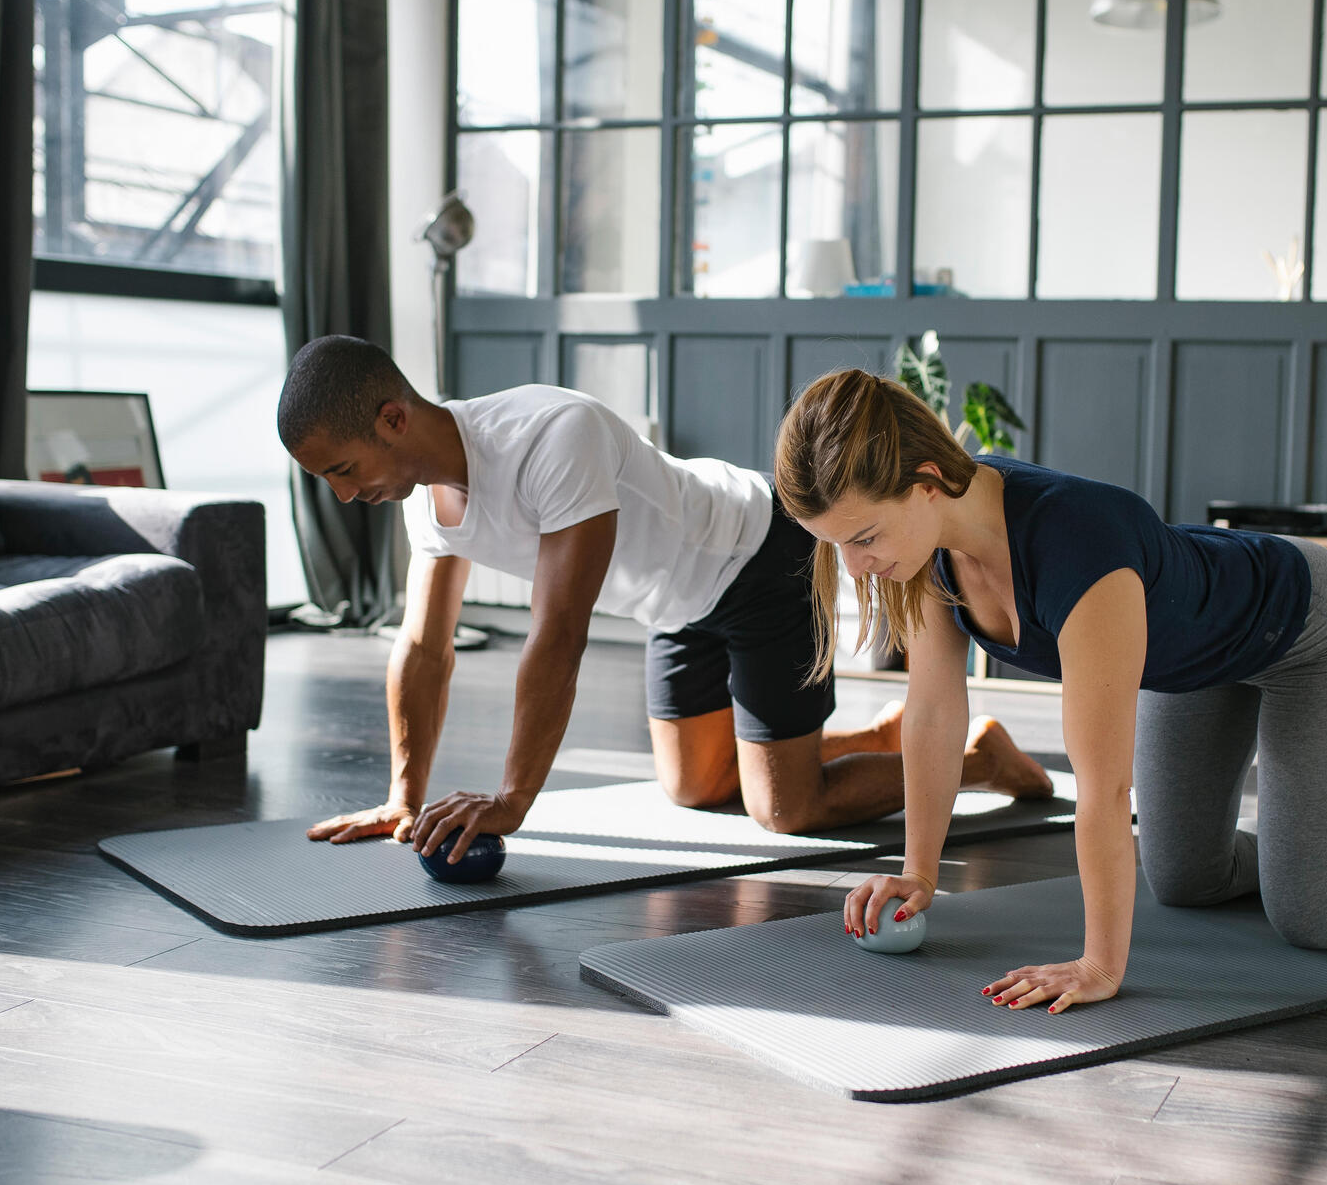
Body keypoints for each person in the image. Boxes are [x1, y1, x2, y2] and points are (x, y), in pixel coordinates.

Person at [774, 369, 1327, 1015]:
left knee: (1317, 917)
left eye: (863, 538)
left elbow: (1102, 789)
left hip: (1308, 631)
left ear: (926, 481)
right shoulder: (928, 553)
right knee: (1184, 880)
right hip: (1194, 659)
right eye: (837, 546)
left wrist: (1100, 965)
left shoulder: (1076, 544)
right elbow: (935, 715)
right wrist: (918, 873)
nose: (855, 567)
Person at [277, 337, 1052, 863]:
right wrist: (403, 797)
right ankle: (884, 733)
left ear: (393, 419)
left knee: (787, 809)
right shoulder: (423, 499)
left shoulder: (550, 436)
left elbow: (558, 634)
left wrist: (514, 798)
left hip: (756, 555)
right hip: (677, 605)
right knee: (695, 787)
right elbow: (423, 647)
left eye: (343, 470)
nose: (343, 495)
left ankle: (976, 759)